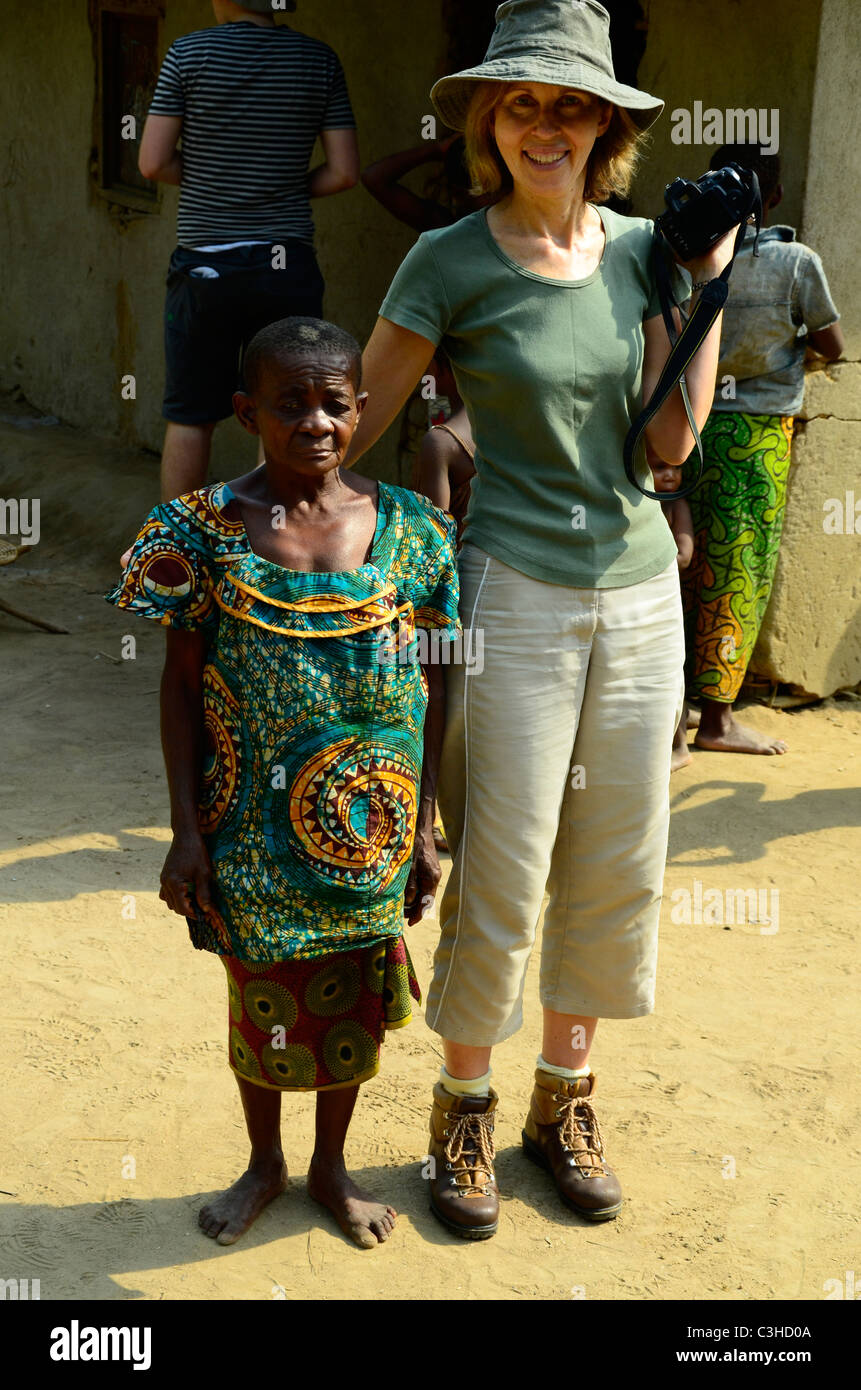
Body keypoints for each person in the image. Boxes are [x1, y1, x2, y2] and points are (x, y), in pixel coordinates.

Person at [341, 0, 739, 1238]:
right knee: (502, 855)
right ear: (486, 120)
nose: (544, 124)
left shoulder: (645, 253)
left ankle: (564, 1096)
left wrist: (707, 279)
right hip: (507, 587)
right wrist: (288, 546)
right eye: (521, 102)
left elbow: (672, 447)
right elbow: (350, 428)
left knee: (617, 857)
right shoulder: (448, 261)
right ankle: (462, 1102)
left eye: (571, 103)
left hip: (635, 593)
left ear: (608, 128)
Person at [105, 318, 460, 1248]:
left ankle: (331, 1167)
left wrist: (423, 823)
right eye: (290, 403)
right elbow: (180, 688)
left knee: (352, 992)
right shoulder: (197, 531)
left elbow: (437, 675)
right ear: (245, 411)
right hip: (247, 828)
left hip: (372, 825)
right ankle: (264, 1163)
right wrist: (186, 829)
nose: (314, 422)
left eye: (334, 403)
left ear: (362, 409)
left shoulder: (415, 532)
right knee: (262, 995)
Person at [138, 0, 359, 502]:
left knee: (191, 415)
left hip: (205, 267)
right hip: (286, 267)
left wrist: (216, 186)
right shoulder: (317, 59)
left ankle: (177, 553)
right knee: (288, 409)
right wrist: (276, 187)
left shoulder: (187, 54)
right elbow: (344, 171)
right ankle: (276, 549)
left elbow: (151, 162)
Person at [681, 144, 844, 755]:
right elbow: (832, 341)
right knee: (739, 571)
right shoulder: (795, 262)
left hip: (689, 430)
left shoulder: (691, 257)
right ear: (772, 197)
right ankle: (720, 719)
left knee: (686, 567)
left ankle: (683, 708)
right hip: (757, 438)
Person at [647, 444, 695, 771]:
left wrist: (646, 560)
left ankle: (679, 747)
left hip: (664, 605)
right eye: (659, 467)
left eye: (675, 468)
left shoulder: (675, 505)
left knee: (669, 674)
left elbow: (684, 555)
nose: (669, 475)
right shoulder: (640, 503)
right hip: (640, 606)